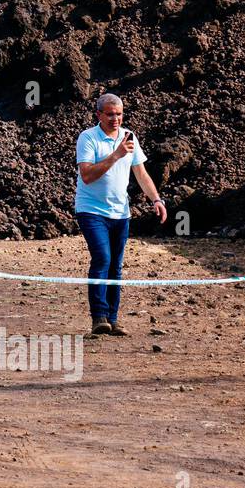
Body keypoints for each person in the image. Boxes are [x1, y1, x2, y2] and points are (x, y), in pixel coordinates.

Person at [75, 93, 167, 336]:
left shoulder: (130, 138)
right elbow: (87, 175)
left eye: (119, 114)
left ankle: (113, 319)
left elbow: (141, 174)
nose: (115, 118)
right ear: (99, 115)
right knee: (102, 258)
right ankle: (99, 317)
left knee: (115, 266)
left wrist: (156, 199)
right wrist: (115, 154)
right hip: (91, 210)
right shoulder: (88, 138)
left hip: (120, 212)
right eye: (109, 114)